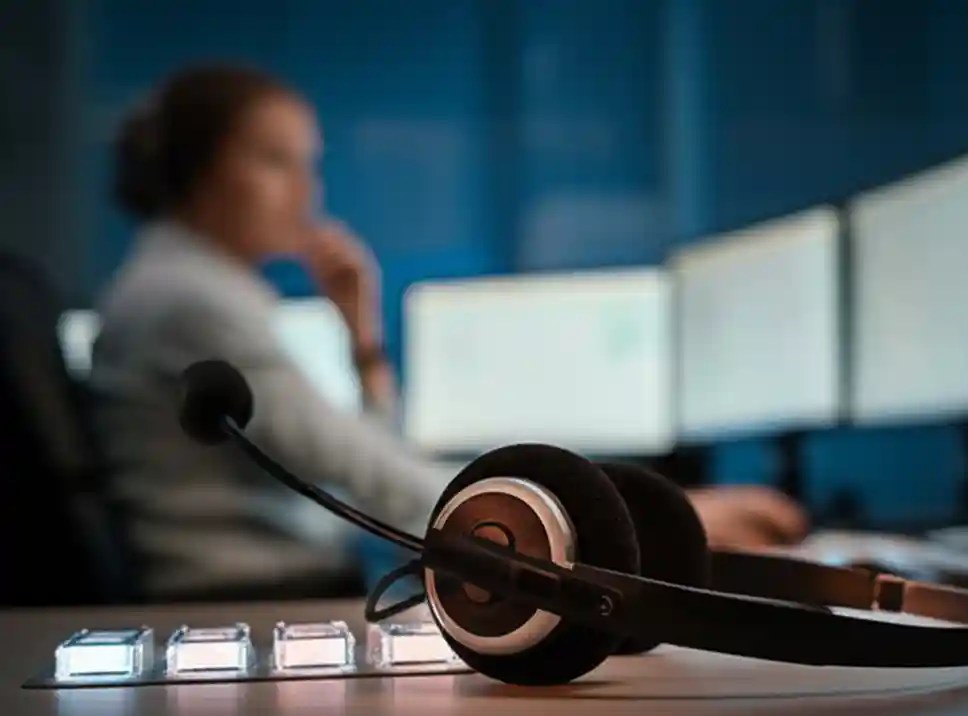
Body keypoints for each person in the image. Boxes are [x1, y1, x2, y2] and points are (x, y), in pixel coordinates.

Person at [93, 63, 808, 601]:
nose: (308, 190)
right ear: (199, 169)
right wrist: (636, 522)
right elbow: (373, 483)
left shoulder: (191, 286)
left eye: (309, 164)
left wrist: (363, 339)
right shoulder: (190, 300)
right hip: (243, 599)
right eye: (276, 160)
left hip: (278, 581)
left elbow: (360, 462)